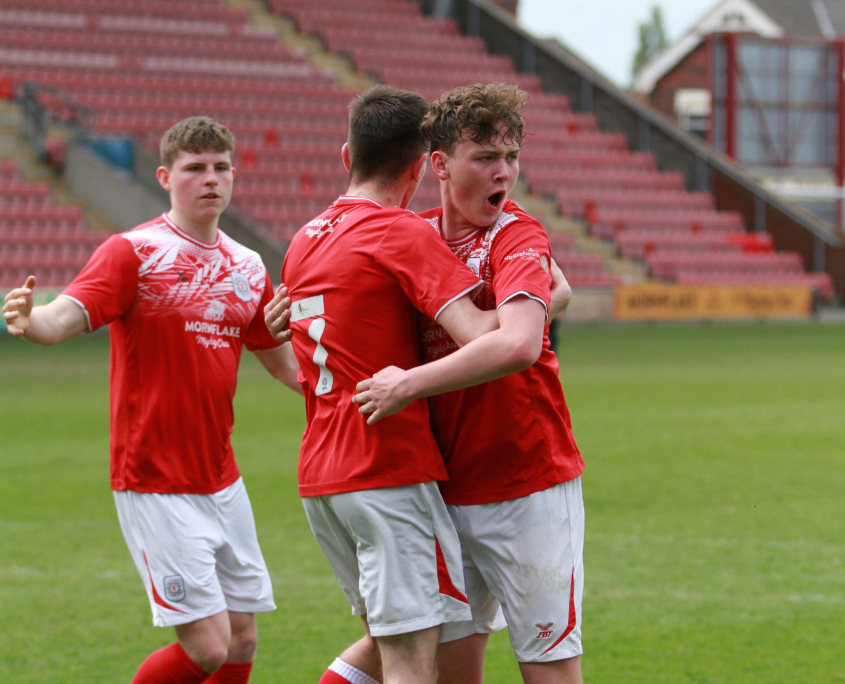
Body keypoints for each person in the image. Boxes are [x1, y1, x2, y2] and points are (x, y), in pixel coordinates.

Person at [2, 116, 301, 684]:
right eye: (194, 168)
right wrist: (30, 321)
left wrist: (357, 390)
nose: (209, 178)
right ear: (166, 177)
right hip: (155, 479)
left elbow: (283, 365)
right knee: (207, 646)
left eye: (220, 168)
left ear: (233, 175)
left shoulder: (247, 266)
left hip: (221, 478)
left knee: (241, 639)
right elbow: (63, 317)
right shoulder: (133, 252)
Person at [338, 83, 586, 684]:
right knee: (447, 670)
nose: (505, 174)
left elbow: (522, 344)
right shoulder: (411, 234)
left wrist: (408, 385)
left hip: (525, 487)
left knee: (549, 671)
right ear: (441, 165)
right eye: (486, 158)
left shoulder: (516, 236)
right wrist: (290, 309)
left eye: (511, 158)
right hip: (441, 494)